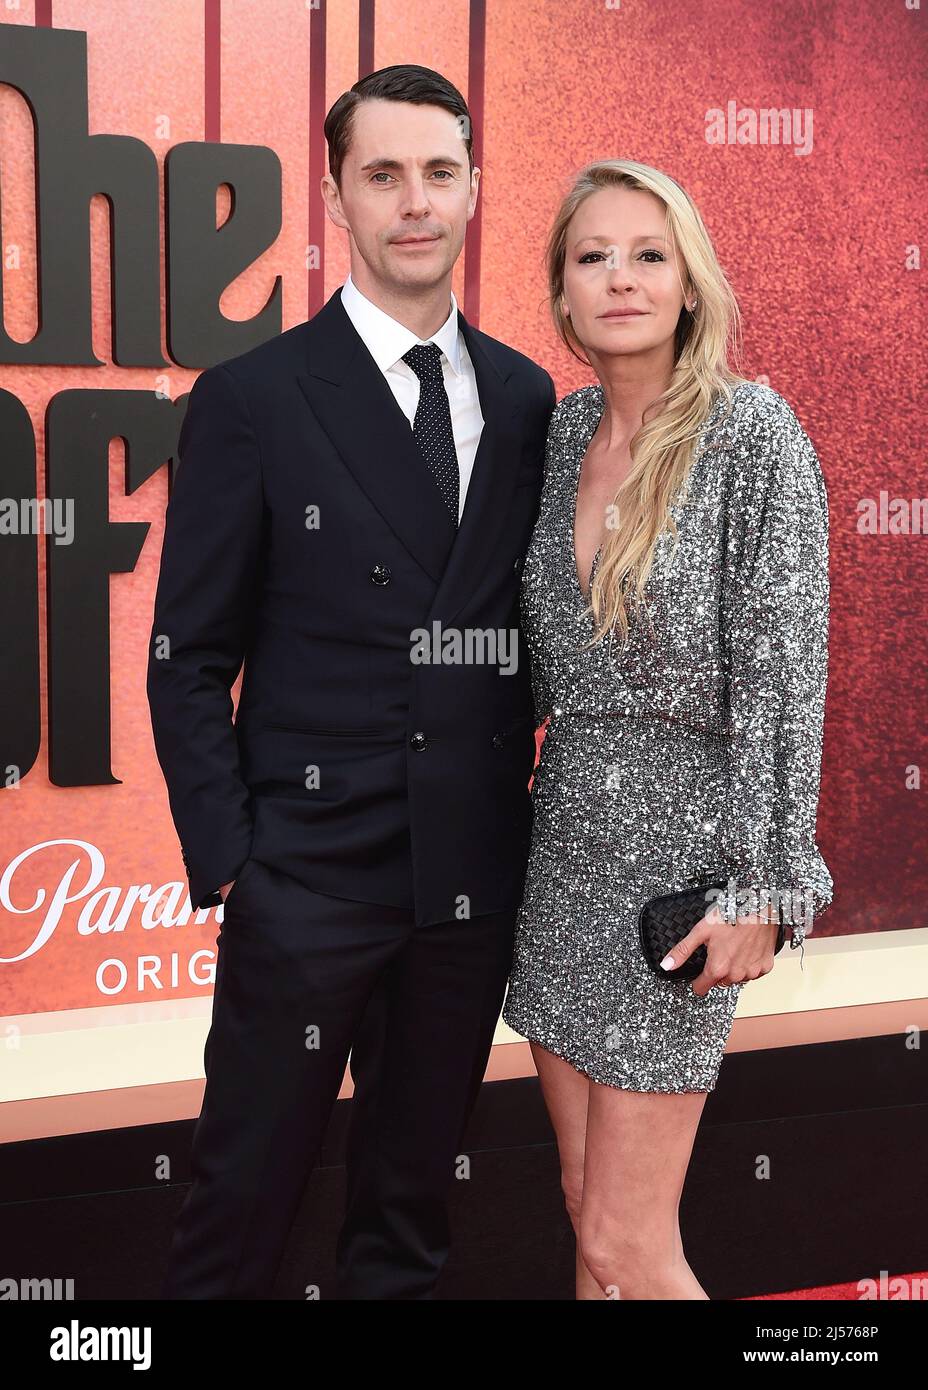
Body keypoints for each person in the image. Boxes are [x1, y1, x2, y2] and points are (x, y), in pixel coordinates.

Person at [147, 63, 555, 1299]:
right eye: (382, 175)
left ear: (476, 188)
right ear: (336, 199)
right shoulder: (253, 399)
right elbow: (186, 655)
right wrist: (237, 864)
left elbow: (534, 636)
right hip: (306, 884)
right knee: (239, 1216)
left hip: (466, 885)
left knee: (407, 1225)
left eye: (437, 172)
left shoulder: (535, 399)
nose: (413, 201)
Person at [502, 159, 834, 1300]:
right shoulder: (559, 436)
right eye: (593, 257)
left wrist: (765, 885)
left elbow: (783, 677)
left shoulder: (752, 435)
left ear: (689, 282)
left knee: (629, 1246)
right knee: (584, 1215)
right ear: (560, 293)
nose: (622, 279)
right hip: (564, 863)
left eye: (649, 255)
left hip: (684, 878)